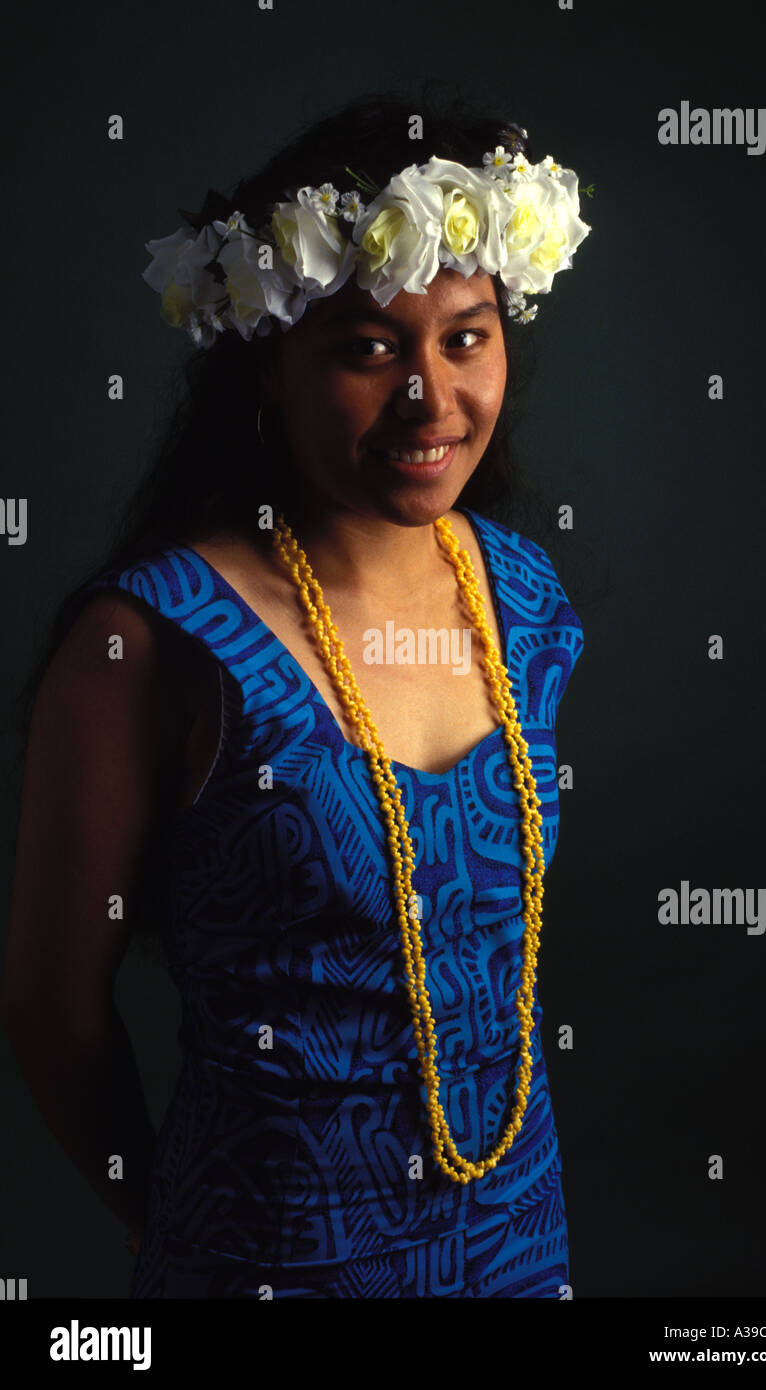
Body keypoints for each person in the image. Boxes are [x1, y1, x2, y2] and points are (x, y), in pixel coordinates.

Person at [2, 91, 590, 1298]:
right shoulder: (154, 640)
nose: (429, 396)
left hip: (522, 1248)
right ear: (271, 365)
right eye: (371, 350)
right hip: (269, 1264)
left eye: (465, 338)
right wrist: (174, 1231)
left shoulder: (520, 595)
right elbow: (53, 1010)